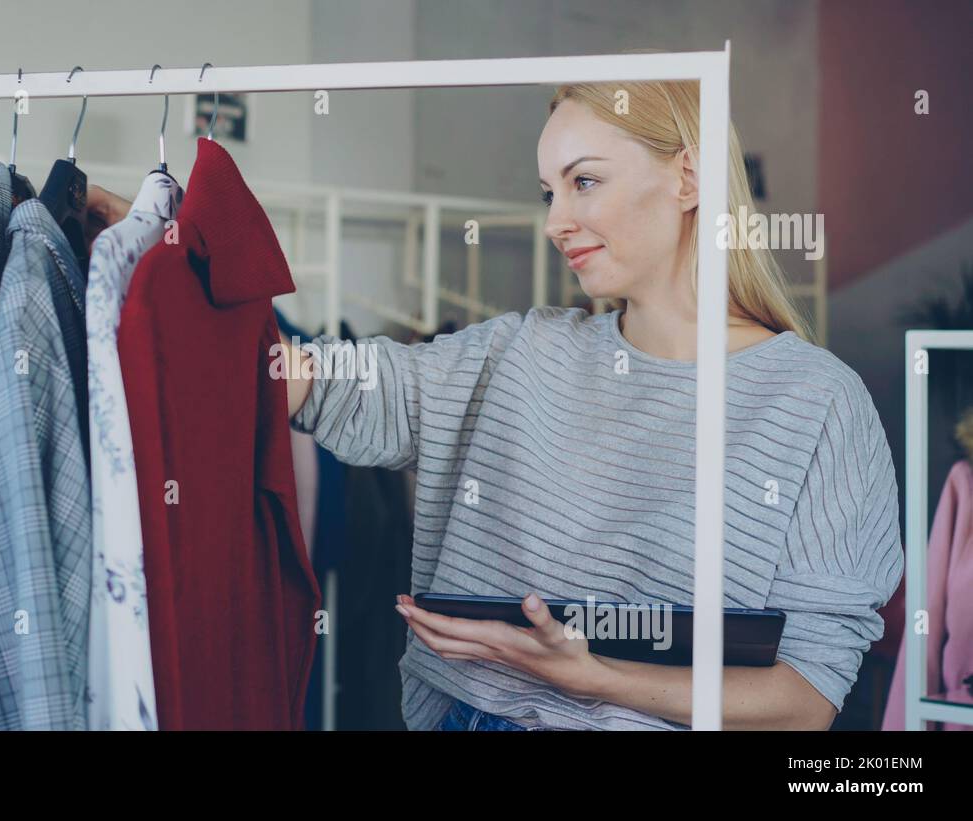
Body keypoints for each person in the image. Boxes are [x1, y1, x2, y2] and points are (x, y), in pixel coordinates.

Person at [89, 80, 903, 731]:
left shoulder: (818, 404)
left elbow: (808, 695)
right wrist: (163, 265)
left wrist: (595, 676)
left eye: (584, 181)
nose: (556, 221)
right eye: (548, 190)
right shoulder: (523, 350)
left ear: (688, 178)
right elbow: (322, 379)